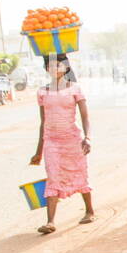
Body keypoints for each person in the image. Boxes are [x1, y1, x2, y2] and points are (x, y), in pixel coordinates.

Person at [28, 53, 95, 233]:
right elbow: (43, 123)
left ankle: (89, 210)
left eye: (57, 65)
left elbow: (85, 117)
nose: (53, 68)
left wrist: (87, 138)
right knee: (53, 177)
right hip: (52, 141)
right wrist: (39, 152)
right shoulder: (42, 92)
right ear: (45, 69)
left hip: (72, 140)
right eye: (50, 66)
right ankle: (50, 222)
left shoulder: (75, 89)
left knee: (80, 174)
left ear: (65, 67)